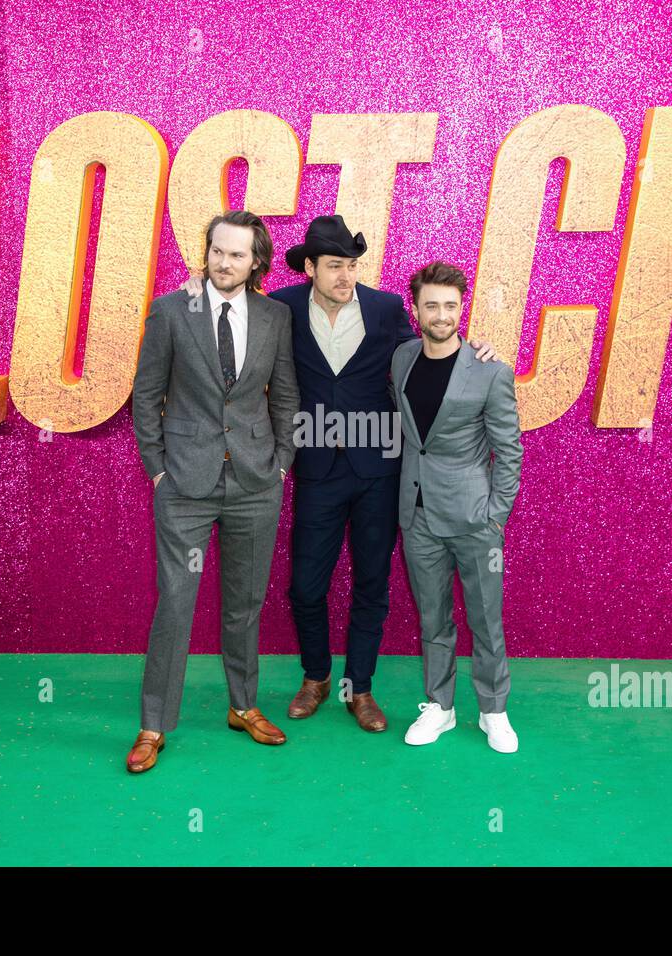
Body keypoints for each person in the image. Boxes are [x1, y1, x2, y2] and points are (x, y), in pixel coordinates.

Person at [183, 215, 498, 733]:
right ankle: (316, 678)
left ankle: (360, 688)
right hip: (317, 468)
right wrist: (193, 289)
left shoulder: (386, 308)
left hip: (379, 470)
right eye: (334, 266)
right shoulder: (280, 307)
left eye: (352, 265)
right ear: (310, 267)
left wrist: (478, 353)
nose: (345, 276)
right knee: (306, 586)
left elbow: (431, 353)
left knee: (372, 583)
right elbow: (228, 300)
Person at [126, 210, 299, 774]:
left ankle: (243, 706)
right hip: (185, 484)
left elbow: (286, 399)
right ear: (207, 252)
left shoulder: (275, 317)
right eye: (217, 251)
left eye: (237, 255)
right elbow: (146, 395)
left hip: (255, 482)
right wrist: (158, 470)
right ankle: (154, 725)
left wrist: (280, 466)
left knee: (245, 604)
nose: (224, 263)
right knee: (175, 603)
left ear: (257, 262)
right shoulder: (172, 310)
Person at [391, 261, 524, 753]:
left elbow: (508, 449)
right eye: (432, 305)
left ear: (461, 308)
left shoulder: (490, 371)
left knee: (486, 619)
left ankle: (493, 710)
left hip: (474, 518)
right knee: (433, 617)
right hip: (418, 514)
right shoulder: (402, 360)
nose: (441, 314)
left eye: (450, 305)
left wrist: (496, 515)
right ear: (417, 309)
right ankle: (440, 708)